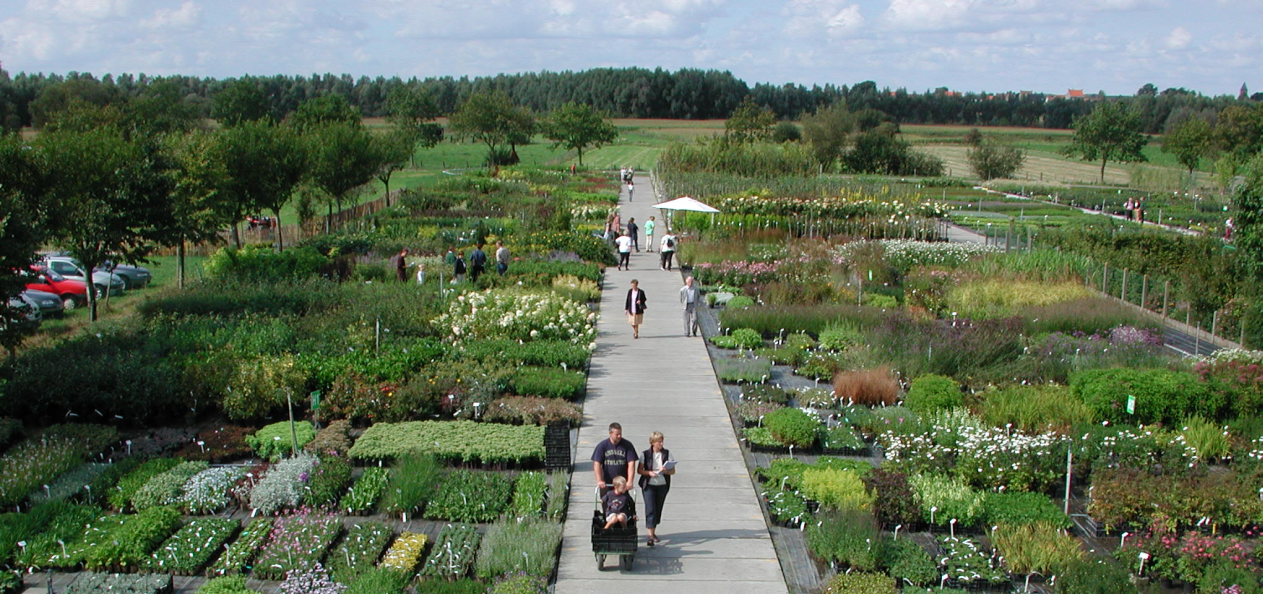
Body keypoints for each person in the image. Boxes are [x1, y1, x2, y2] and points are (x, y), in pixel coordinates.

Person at [637, 432, 675, 546]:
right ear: (653, 442)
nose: (661, 443)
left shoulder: (667, 454)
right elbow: (639, 470)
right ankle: (650, 535)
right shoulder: (645, 454)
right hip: (649, 485)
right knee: (650, 508)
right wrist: (649, 473)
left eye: (662, 441)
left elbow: (673, 471)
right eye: (659, 441)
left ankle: (653, 529)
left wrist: (666, 471)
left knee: (658, 508)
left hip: (662, 485)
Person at [591, 422, 638, 493]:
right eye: (617, 434)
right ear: (610, 433)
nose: (619, 436)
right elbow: (596, 463)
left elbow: (631, 463)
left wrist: (630, 481)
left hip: (622, 484)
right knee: (606, 502)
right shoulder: (602, 446)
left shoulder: (627, 445)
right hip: (606, 483)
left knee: (623, 502)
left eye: (620, 434)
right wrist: (599, 480)